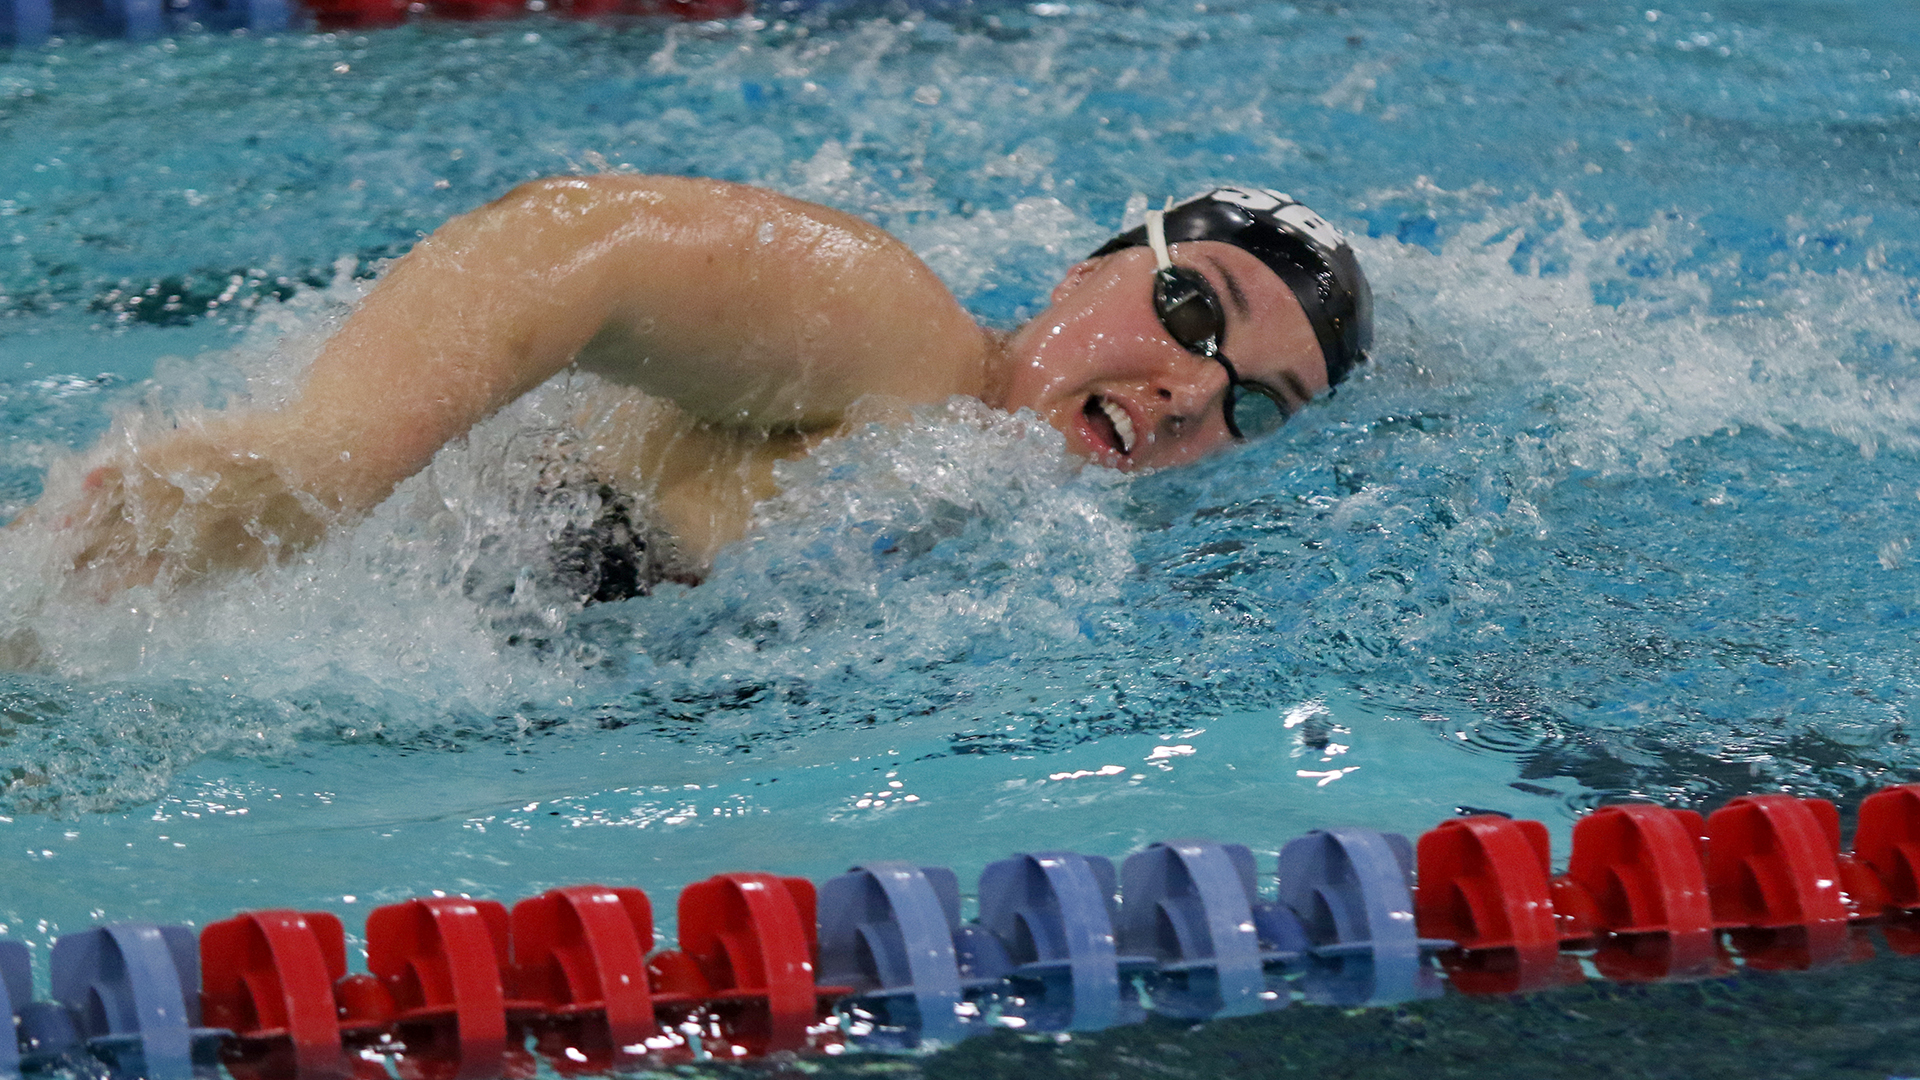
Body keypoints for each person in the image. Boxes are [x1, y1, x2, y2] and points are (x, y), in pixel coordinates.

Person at [19, 175, 1372, 601]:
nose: (1195, 391)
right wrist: (333, 455)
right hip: (240, 589)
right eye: (1196, 307)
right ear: (1085, 270)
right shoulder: (900, 339)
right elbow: (582, 241)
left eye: (1255, 406)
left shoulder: (1011, 522)